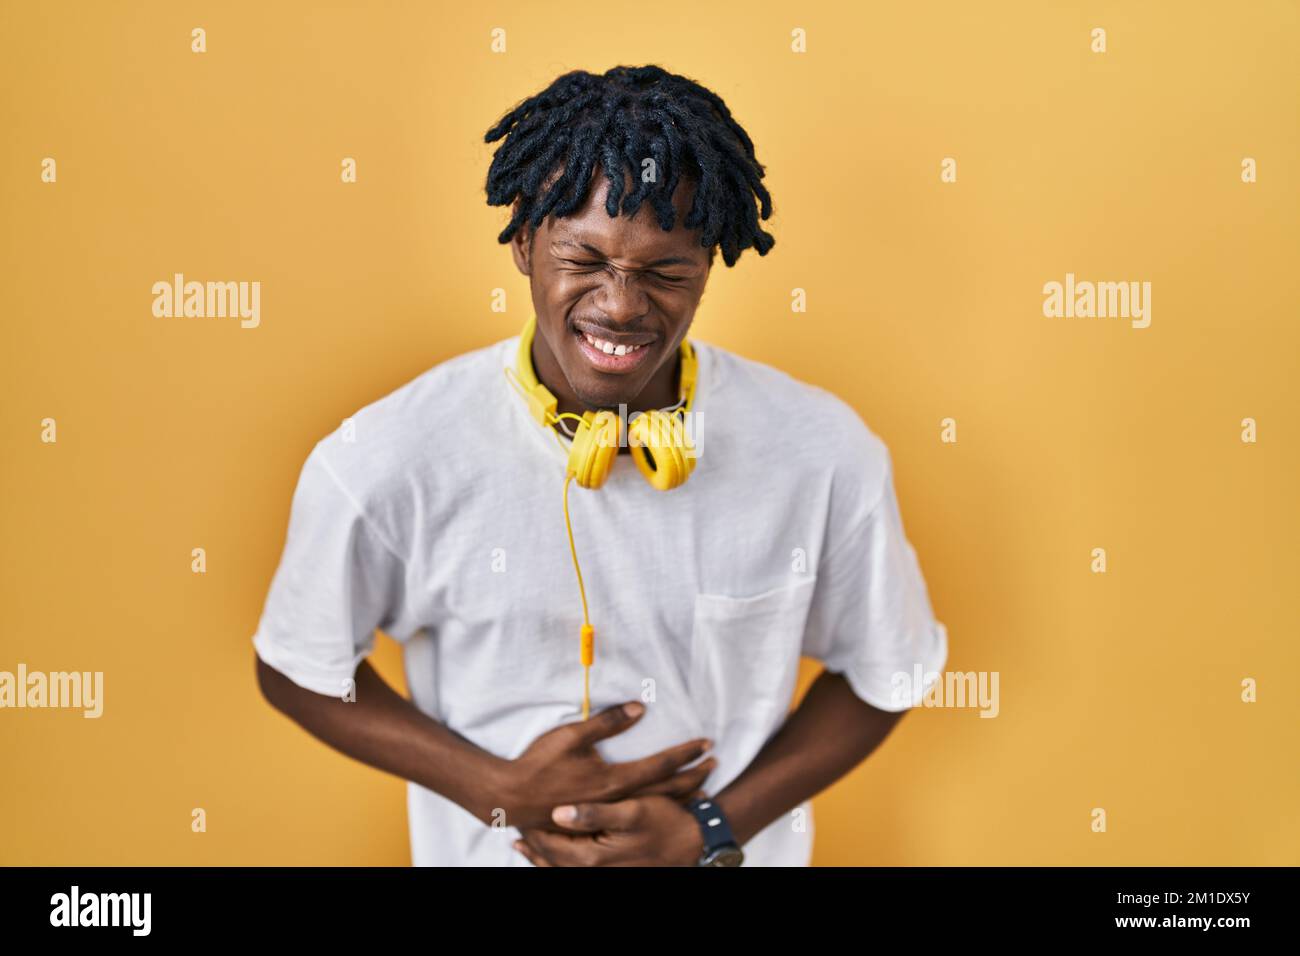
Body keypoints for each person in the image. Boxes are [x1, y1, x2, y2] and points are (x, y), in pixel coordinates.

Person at [252, 64, 948, 866]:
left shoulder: (824, 451)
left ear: (710, 266)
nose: (620, 305)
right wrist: (495, 790)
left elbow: (886, 670)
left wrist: (708, 831)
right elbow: (296, 665)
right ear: (523, 241)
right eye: (584, 259)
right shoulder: (387, 455)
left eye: (665, 272)